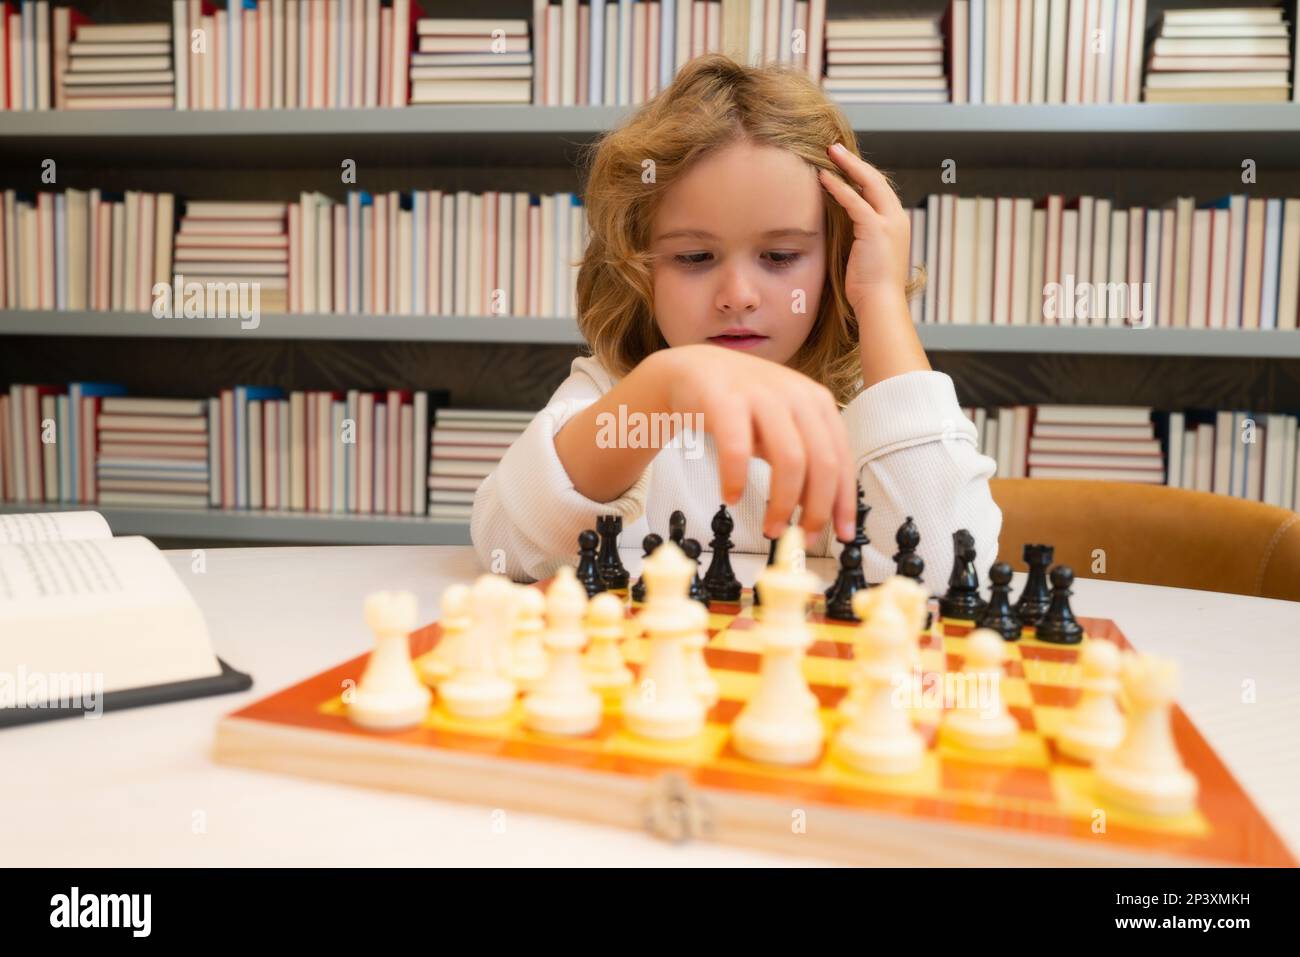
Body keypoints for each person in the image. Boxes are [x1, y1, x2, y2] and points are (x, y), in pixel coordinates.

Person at [472, 54, 1000, 584]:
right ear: (636, 265)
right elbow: (509, 546)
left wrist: (881, 294)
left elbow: (947, 570)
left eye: (780, 257)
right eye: (694, 258)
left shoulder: (871, 410)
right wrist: (665, 387)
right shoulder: (617, 392)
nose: (738, 297)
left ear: (838, 259)